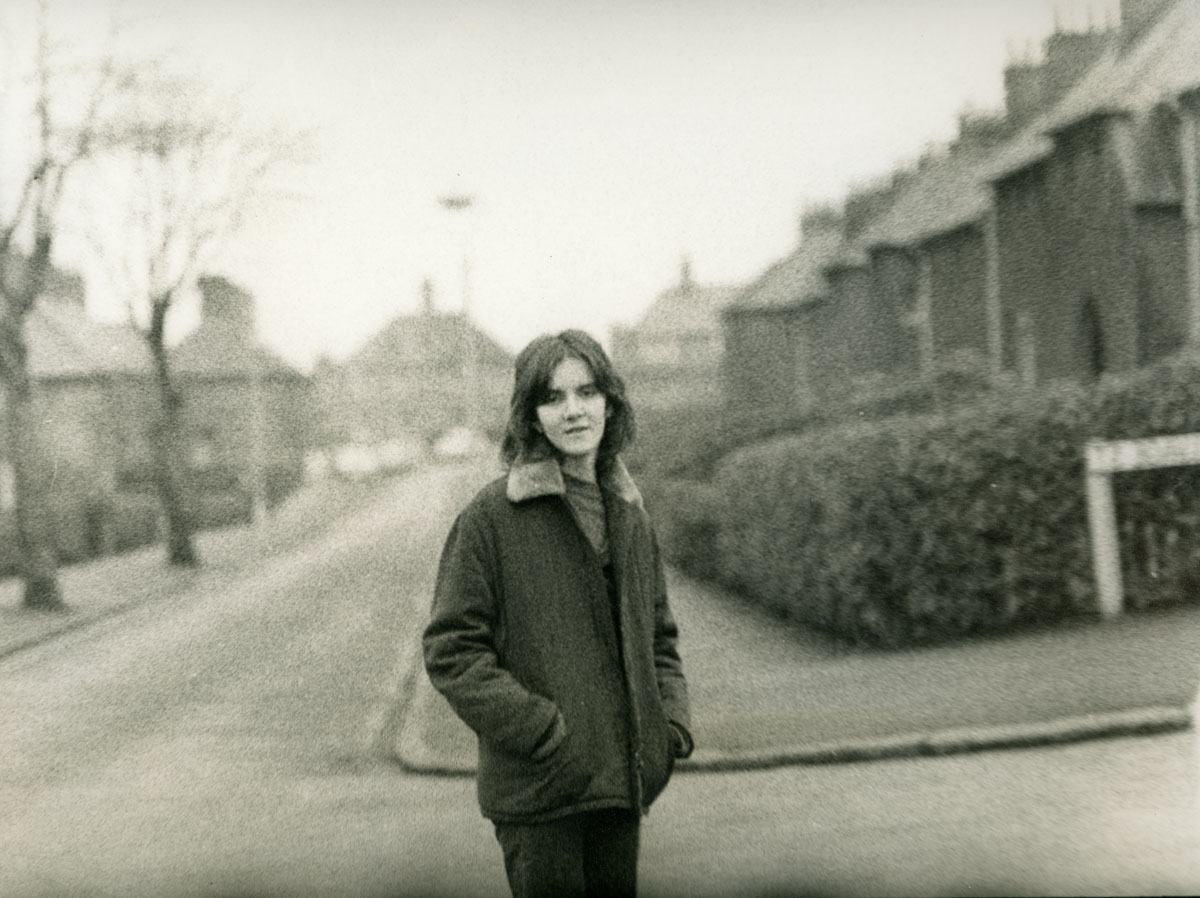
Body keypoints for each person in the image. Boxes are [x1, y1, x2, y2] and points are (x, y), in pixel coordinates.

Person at [423, 328, 693, 898]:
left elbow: (661, 639)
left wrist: (668, 729)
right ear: (531, 415)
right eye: (553, 397)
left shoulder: (631, 516)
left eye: (587, 392)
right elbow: (451, 650)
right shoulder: (490, 519)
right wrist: (540, 730)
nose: (573, 411)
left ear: (609, 402)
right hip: (540, 793)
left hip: (621, 787)